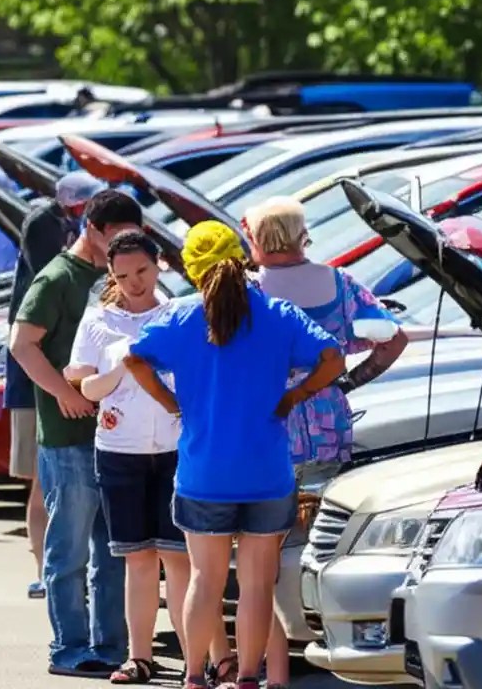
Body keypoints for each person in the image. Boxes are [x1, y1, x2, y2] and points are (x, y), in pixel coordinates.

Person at [123, 221, 346, 689]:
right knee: (256, 586)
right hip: (266, 472)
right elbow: (333, 359)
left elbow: (133, 359)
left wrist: (171, 403)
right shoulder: (278, 312)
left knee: (204, 580)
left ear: (190, 269)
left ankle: (193, 677)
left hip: (204, 473)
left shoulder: (182, 316)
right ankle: (247, 678)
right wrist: (295, 395)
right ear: (245, 257)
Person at [243, 197, 408, 688]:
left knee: (263, 542)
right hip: (326, 418)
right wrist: (353, 382)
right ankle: (320, 630)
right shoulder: (341, 284)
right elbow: (392, 338)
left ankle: (270, 643)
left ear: (257, 238)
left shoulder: (248, 290)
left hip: (268, 421)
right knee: (322, 532)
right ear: (301, 234)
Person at [9, 189, 143, 677]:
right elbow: (22, 344)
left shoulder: (113, 276)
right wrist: (62, 392)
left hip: (116, 439)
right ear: (91, 229)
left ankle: (110, 647)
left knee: (113, 552)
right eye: (117, 238)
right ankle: (69, 648)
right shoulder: (58, 277)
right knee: (67, 550)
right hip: (67, 440)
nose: (126, 247)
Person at [64, 230, 189, 685]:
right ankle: (140, 657)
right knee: (138, 559)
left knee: (178, 558)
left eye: (142, 271)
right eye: (122, 275)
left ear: (159, 266)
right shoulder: (99, 320)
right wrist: (121, 366)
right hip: (120, 450)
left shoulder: (179, 313)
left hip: (177, 447)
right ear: (111, 276)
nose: (134, 282)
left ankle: (196, 660)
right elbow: (84, 384)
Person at [5, 172, 107, 600]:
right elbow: (24, 343)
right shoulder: (46, 231)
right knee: (42, 480)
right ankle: (44, 571)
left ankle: (63, 572)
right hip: (38, 378)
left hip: (75, 382)